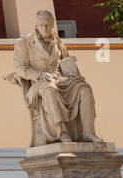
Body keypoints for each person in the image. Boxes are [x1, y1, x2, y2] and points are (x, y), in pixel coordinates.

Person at [9, 10, 104, 146]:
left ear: (52, 25)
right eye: (42, 25)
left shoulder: (57, 41)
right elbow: (20, 68)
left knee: (84, 89)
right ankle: (61, 132)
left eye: (48, 25)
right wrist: (39, 74)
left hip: (60, 79)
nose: (45, 28)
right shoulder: (24, 43)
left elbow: (64, 60)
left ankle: (89, 133)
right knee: (50, 90)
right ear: (36, 26)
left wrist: (71, 70)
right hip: (39, 83)